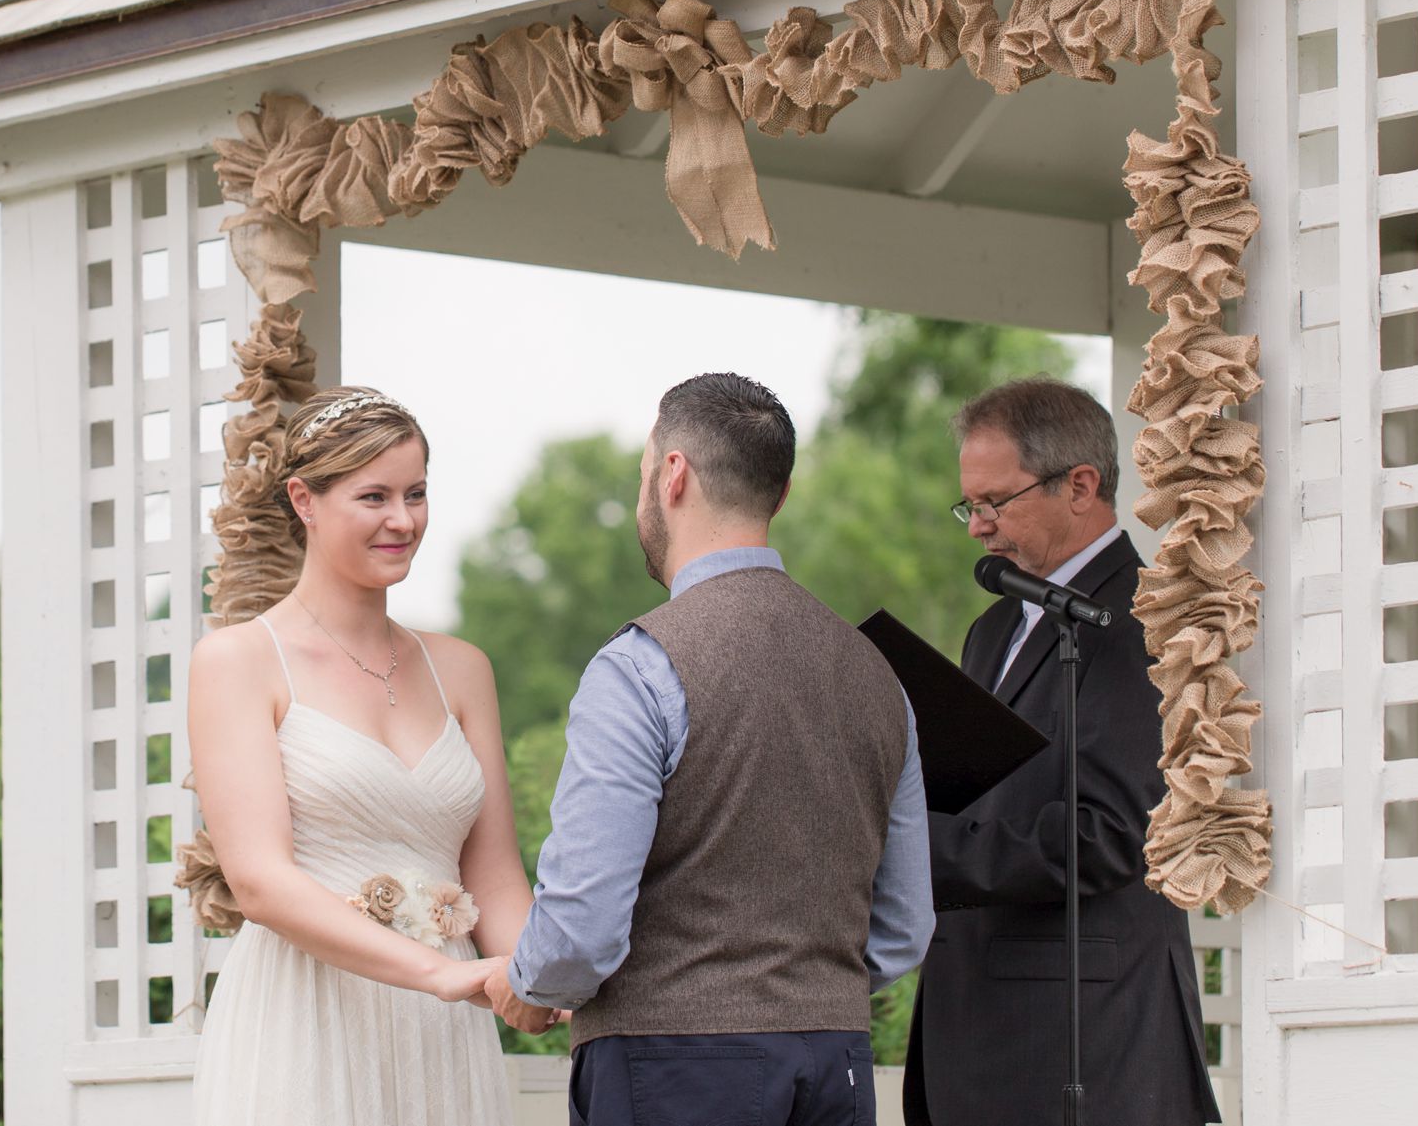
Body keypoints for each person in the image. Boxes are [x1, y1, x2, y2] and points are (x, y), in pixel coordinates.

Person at [485, 372, 934, 1126]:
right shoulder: (877, 674)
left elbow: (582, 927)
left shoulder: (638, 664)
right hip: (835, 1066)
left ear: (673, 474)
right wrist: (804, 989)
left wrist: (530, 984)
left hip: (672, 1067)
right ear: (780, 495)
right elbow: (905, 924)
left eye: (641, 475)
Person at [186, 387, 539, 1126]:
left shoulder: (463, 669)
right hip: (301, 1020)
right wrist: (442, 973)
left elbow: (496, 874)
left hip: (443, 1036)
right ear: (302, 499)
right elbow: (260, 881)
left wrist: (540, 977)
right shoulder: (239, 661)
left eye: (416, 493)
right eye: (373, 495)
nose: (403, 520)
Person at [905, 377, 1221, 1126]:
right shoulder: (993, 629)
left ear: (1080, 484)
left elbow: (1112, 832)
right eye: (969, 504)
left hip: (1083, 1041)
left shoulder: (1145, 618)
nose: (978, 526)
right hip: (977, 1031)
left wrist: (923, 849)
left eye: (994, 502)